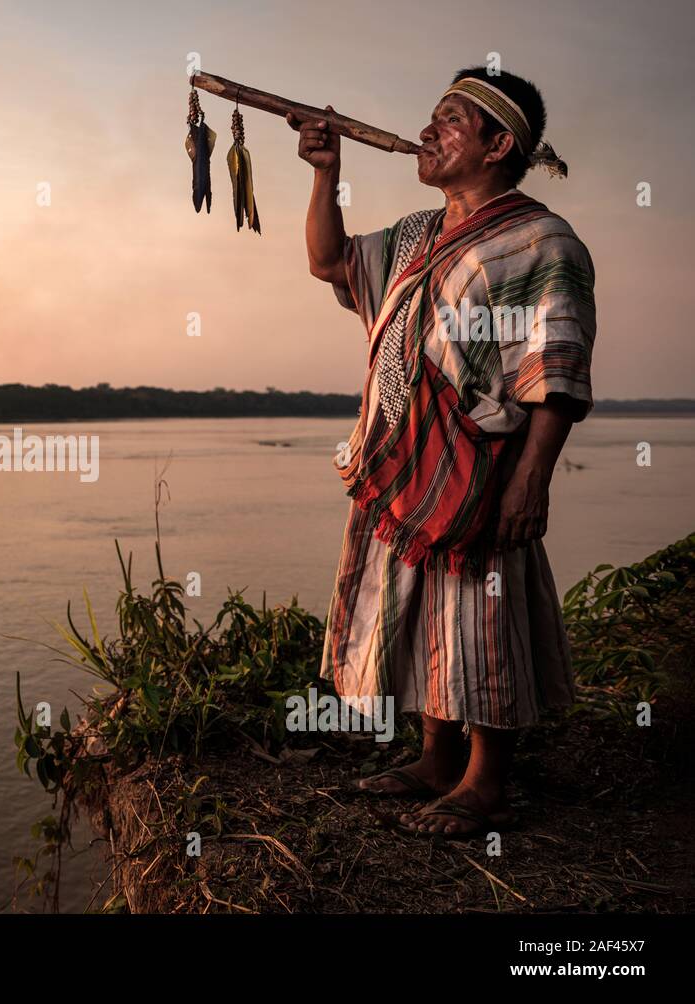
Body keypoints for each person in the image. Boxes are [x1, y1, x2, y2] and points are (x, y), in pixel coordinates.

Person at [289, 67, 596, 836]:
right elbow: (331, 264)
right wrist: (327, 177)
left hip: (480, 465)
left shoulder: (541, 241)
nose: (427, 132)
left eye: (449, 120)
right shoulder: (416, 236)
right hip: (405, 458)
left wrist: (533, 479)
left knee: (479, 620)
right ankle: (434, 757)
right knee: (422, 614)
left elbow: (553, 368)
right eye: (430, 118)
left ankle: (487, 782)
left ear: (499, 144)